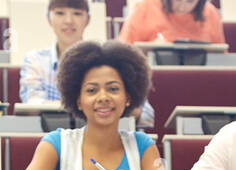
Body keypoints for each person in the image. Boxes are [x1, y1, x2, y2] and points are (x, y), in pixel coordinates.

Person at [11, 40, 176, 170]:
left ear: (128, 97)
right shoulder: (56, 142)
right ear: (78, 101)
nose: (103, 97)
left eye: (113, 89)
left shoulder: (143, 144)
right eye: (91, 90)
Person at [20, 0, 157, 127]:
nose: (68, 21)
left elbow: (146, 115)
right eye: (60, 13)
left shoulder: (109, 59)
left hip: (109, 139)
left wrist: (111, 106)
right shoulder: (35, 60)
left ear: (88, 19)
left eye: (77, 14)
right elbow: (31, 105)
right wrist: (88, 106)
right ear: (49, 18)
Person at [118, 0, 224, 45]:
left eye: (190, 1)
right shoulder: (144, 7)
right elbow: (123, 52)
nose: (182, 7)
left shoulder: (210, 12)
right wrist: (150, 49)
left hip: (200, 79)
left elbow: (221, 57)